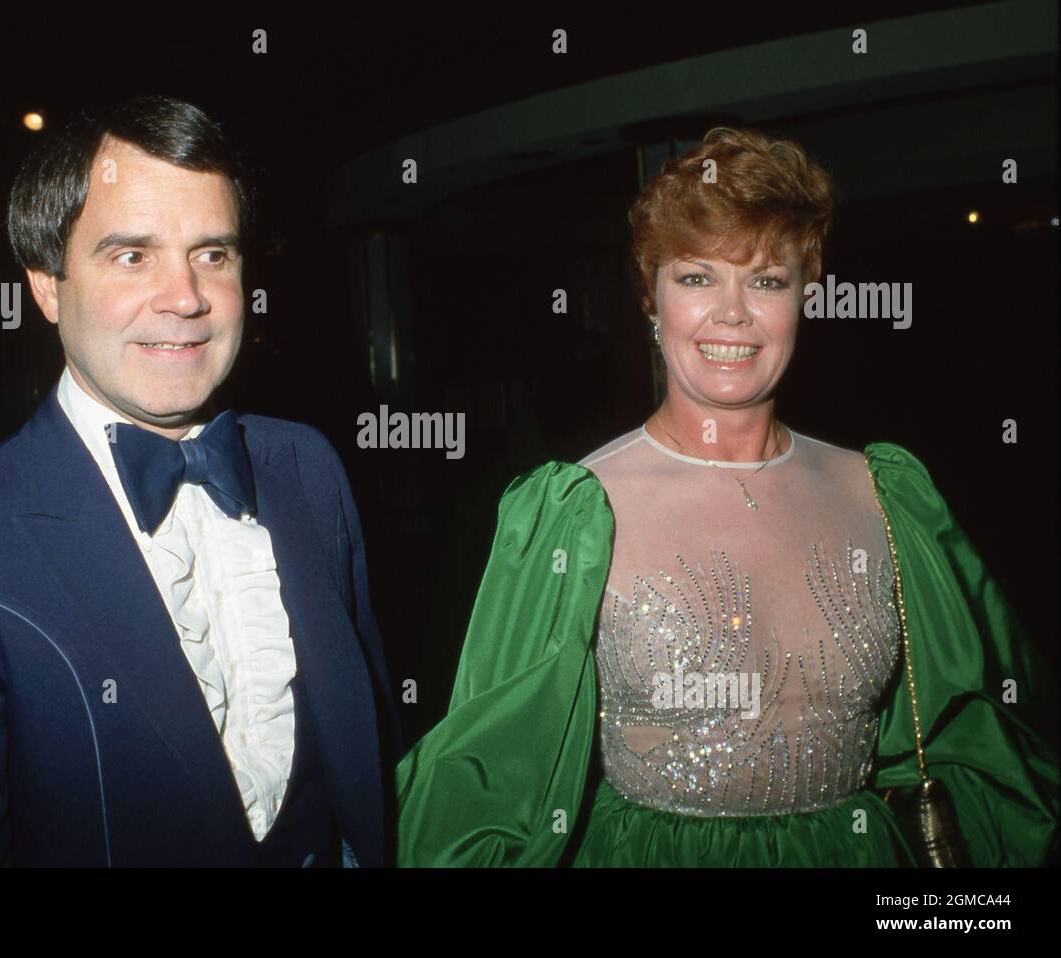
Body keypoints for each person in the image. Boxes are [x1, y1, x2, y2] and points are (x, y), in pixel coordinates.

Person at [395, 127, 1058, 867]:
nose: (734, 314)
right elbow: (486, 785)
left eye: (767, 280)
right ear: (650, 298)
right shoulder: (574, 511)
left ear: (805, 297)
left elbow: (986, 745)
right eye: (698, 277)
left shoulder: (888, 494)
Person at [0, 95, 400, 867]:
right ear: (45, 285)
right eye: (131, 255)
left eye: (213, 253)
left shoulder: (308, 469)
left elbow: (370, 752)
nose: (186, 298)